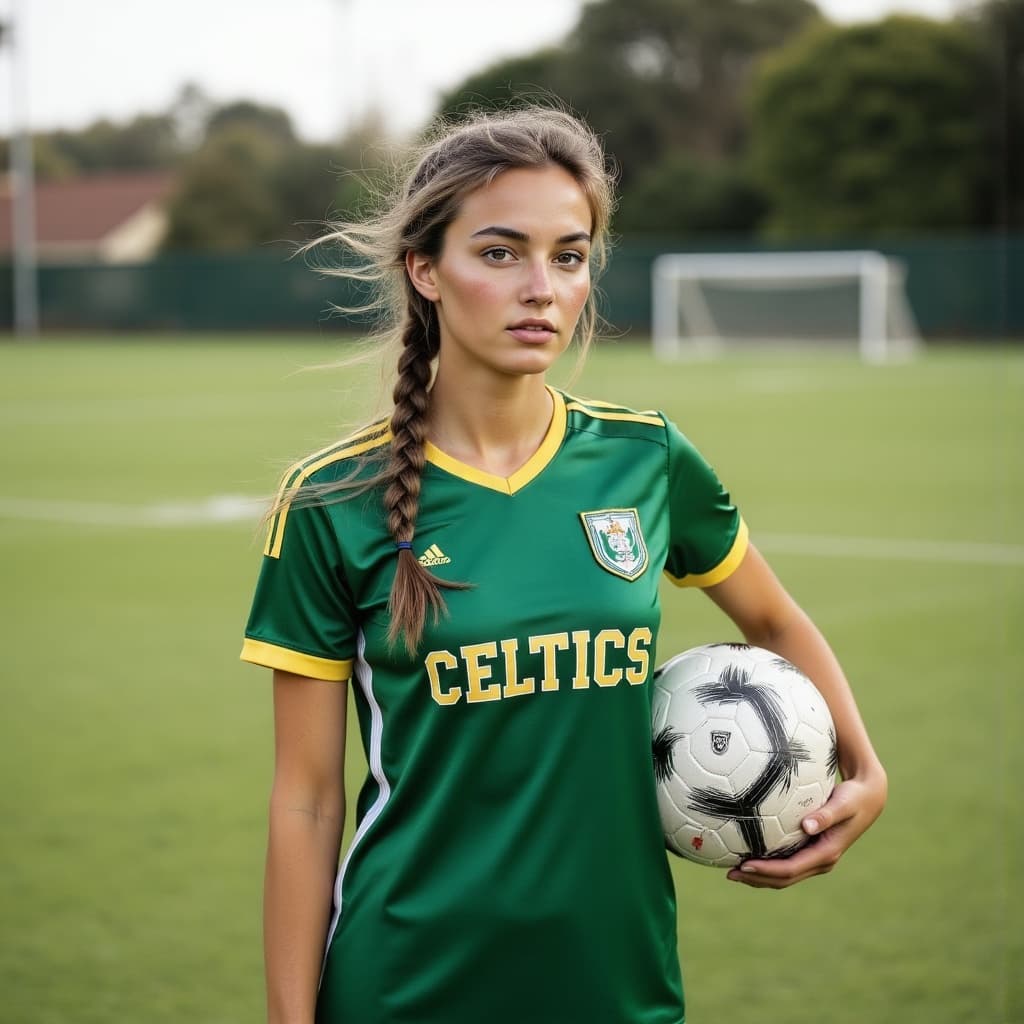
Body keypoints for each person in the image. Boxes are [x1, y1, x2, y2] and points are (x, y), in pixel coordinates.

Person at [240, 106, 887, 1024]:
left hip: (616, 984)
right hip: (405, 983)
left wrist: (866, 769)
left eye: (569, 255)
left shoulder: (646, 460)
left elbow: (774, 622)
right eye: (500, 253)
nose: (540, 286)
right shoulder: (330, 503)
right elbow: (305, 802)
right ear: (425, 268)